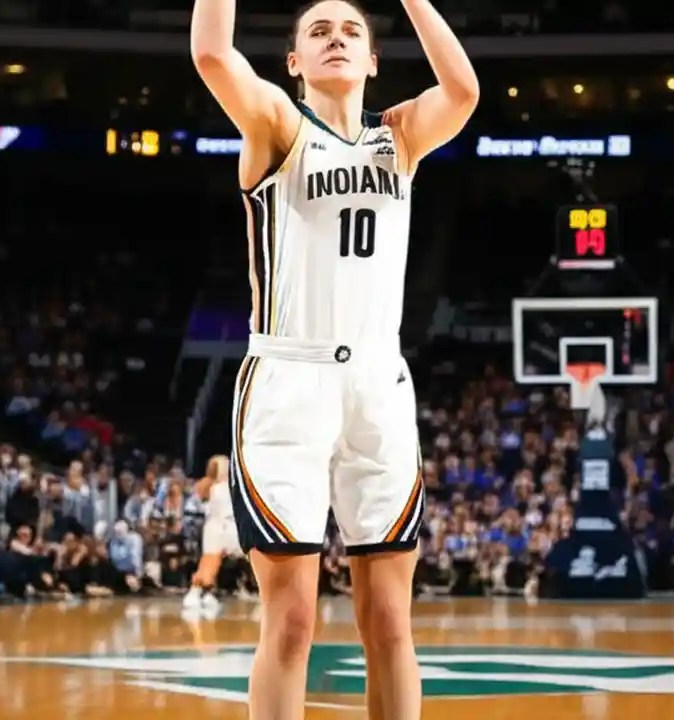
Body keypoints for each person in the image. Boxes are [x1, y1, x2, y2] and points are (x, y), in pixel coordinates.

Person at [189, 1, 478, 718]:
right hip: (291, 377)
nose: (337, 39)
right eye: (318, 32)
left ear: (374, 61)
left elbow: (464, 91)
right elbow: (213, 55)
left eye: (352, 32)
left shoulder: (400, 136)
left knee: (388, 622)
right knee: (291, 621)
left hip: (379, 381)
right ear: (294, 63)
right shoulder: (279, 125)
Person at [184, 454, 242, 611]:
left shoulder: (228, 485)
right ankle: (195, 591)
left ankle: (207, 592)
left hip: (227, 526)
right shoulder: (213, 486)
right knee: (210, 560)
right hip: (218, 526)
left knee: (216, 561)